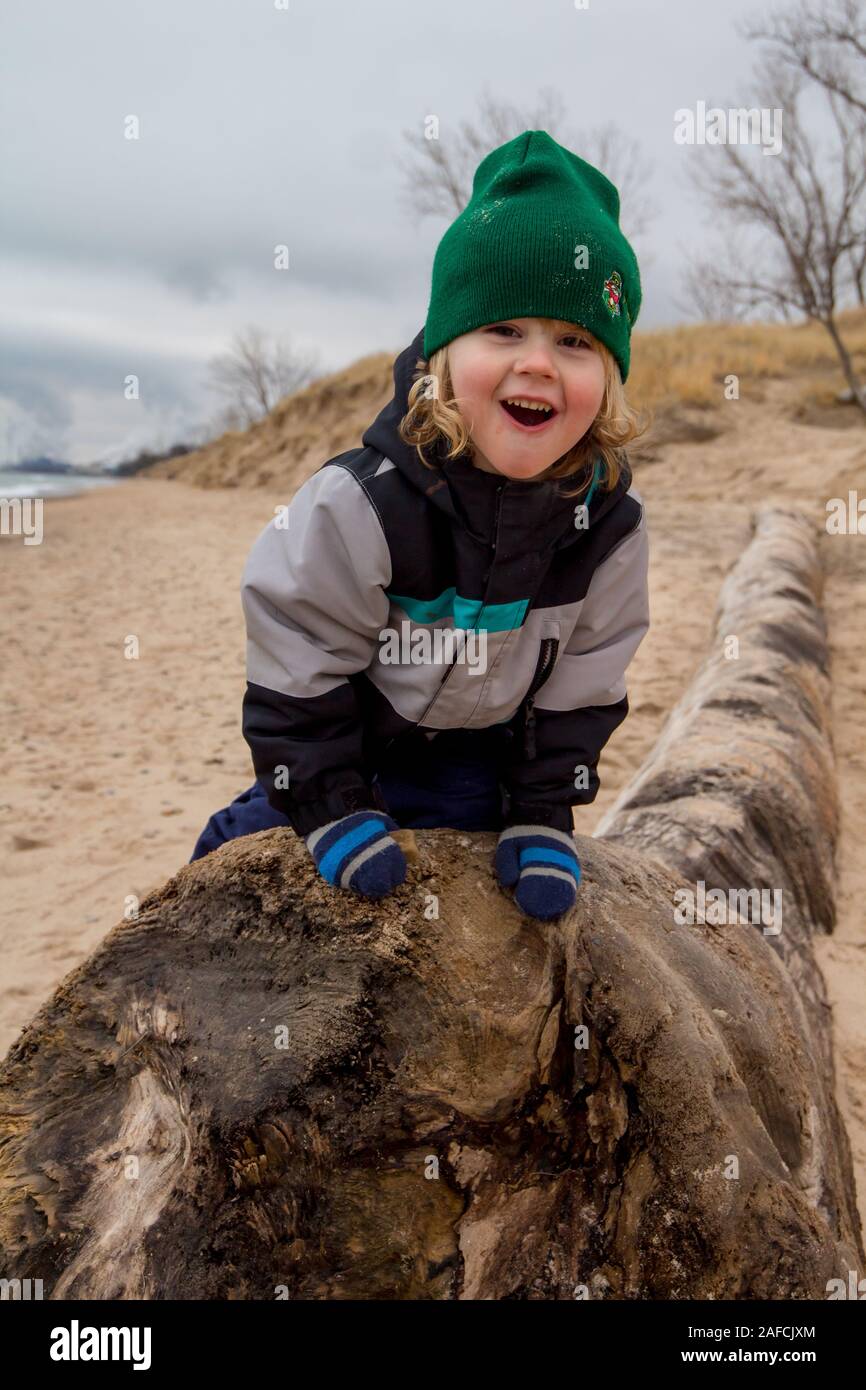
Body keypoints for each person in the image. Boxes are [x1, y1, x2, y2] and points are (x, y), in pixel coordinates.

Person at [190, 129, 651, 922]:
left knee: (515, 915)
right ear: (442, 357)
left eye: (575, 342)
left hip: (482, 766)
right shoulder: (364, 502)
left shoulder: (606, 528)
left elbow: (586, 684)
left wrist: (542, 811)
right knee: (229, 855)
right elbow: (297, 652)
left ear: (606, 384)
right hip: (353, 744)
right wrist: (331, 803)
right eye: (504, 331)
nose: (538, 362)